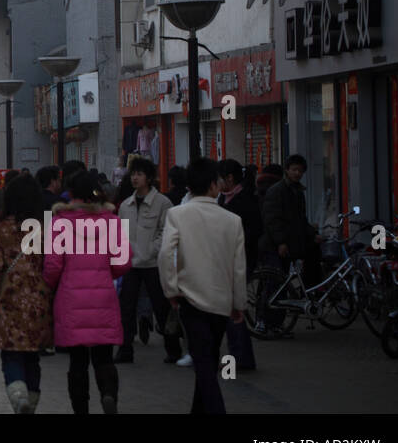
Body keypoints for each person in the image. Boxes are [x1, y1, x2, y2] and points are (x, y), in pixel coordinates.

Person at [159, 158, 247, 414]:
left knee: (204, 364)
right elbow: (238, 267)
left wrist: (171, 290)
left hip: (190, 298)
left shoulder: (177, 214)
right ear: (213, 185)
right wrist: (238, 303)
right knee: (206, 360)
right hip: (221, 301)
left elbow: (166, 255)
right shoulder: (233, 220)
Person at [43, 171, 131, 414]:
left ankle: (81, 409)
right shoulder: (111, 220)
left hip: (71, 299)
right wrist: (105, 274)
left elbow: (52, 265)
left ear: (70, 194)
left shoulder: (61, 222)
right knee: (104, 357)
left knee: (77, 361)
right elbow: (123, 261)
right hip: (103, 295)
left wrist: (52, 286)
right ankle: (109, 394)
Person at [0, 173, 53, 413]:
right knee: (33, 355)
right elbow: (51, 262)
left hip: (9, 296)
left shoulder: (0, 227)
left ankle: (19, 397)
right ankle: (31, 401)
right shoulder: (44, 226)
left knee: (11, 352)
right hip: (39, 296)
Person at [114, 157, 182, 365]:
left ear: (149, 178)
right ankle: (125, 350)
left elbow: (167, 232)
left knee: (162, 308)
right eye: (133, 174)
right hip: (131, 265)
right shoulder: (126, 205)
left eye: (140, 174)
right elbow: (121, 234)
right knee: (126, 309)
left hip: (153, 264)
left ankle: (173, 349)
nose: (135, 178)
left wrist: (153, 250)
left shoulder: (163, 203)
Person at [257, 153, 319, 337]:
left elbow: (299, 220)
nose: (297, 173)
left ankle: (276, 324)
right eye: (294, 169)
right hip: (274, 246)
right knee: (273, 285)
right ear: (287, 170)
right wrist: (281, 242)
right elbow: (272, 219)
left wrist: (312, 234)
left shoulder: (297, 192)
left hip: (287, 246)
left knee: (282, 286)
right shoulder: (277, 191)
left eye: (300, 170)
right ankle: (262, 321)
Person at [217, 158, 260, 372]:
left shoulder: (245, 200)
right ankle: (241, 357)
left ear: (230, 178)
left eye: (220, 178)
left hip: (240, 260)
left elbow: (252, 233)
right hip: (227, 261)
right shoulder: (223, 199)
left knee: (233, 311)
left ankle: (239, 358)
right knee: (232, 310)